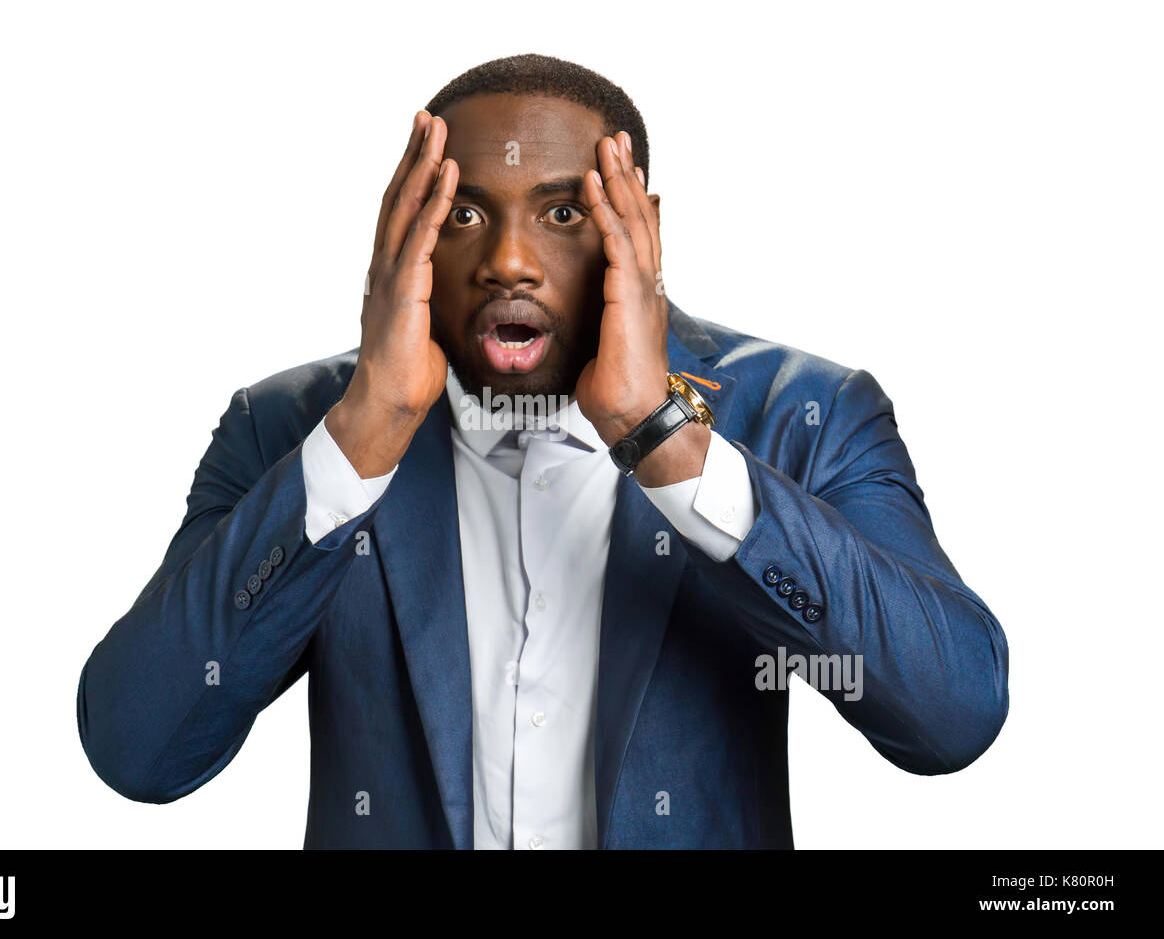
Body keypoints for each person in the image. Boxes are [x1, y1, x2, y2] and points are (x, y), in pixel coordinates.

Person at [77, 54, 1009, 849]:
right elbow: (140, 748)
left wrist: (667, 444)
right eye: (465, 215)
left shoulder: (802, 412)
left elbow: (952, 716)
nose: (509, 261)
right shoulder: (286, 428)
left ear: (636, 233)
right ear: (407, 238)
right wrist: (359, 440)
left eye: (563, 214)